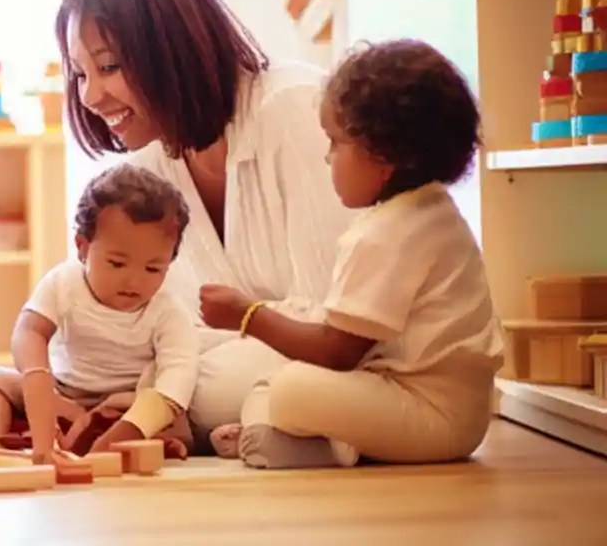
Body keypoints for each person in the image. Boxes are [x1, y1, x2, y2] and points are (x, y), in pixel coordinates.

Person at [56, 0, 356, 450]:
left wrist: (157, 389)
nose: (88, 96)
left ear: (170, 51)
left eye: (108, 67)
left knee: (190, 380)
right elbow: (126, 321)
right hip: (243, 373)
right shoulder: (145, 167)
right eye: (80, 73)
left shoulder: (294, 110)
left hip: (348, 364)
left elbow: (339, 325)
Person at [200, 39, 503, 468]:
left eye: (335, 143)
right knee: (274, 384)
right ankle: (300, 441)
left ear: (383, 158)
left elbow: (336, 353)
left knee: (289, 387)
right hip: (450, 410)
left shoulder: (389, 233)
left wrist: (247, 315)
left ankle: (322, 446)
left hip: (434, 418)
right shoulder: (430, 211)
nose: (326, 158)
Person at [0, 163, 200, 461]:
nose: (134, 281)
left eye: (153, 268)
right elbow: (30, 330)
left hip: (128, 404)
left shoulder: (168, 308)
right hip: (63, 394)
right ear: (82, 247)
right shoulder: (63, 282)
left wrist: (117, 435)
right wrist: (40, 383)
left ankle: (135, 445)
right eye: (116, 263)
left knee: (169, 413)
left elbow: (176, 382)